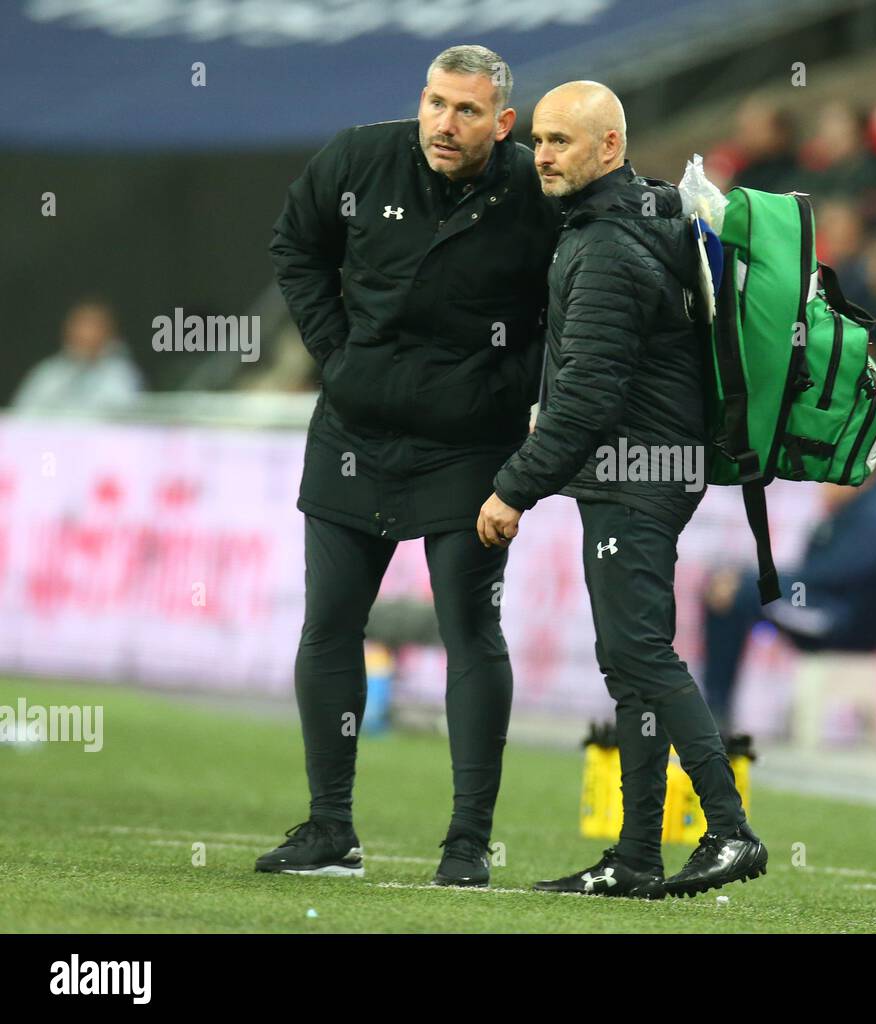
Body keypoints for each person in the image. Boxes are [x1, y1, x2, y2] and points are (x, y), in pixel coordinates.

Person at [259, 45, 559, 885]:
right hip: (354, 431)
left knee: (471, 633)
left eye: (467, 111)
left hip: (470, 445)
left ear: (503, 124)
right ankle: (329, 831)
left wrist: (516, 381)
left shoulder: (536, 188)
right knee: (329, 626)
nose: (444, 123)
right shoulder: (359, 156)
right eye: (435, 102)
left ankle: (466, 845)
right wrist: (338, 355)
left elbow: (572, 298)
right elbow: (294, 245)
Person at [478, 80, 767, 899]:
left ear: (609, 145)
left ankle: (730, 830)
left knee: (640, 654)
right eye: (537, 140)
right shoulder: (647, 213)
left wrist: (513, 490)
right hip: (651, 466)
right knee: (630, 664)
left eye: (560, 141)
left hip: (635, 471)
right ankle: (636, 855)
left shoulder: (605, 245)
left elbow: (587, 396)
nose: (541, 155)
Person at [701, 474, 876, 734]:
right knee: (727, 584)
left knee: (739, 591)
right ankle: (716, 708)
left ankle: (716, 711)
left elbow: (835, 573)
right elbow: (815, 572)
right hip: (825, 608)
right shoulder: (854, 511)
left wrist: (760, 581)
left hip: (844, 624)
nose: (823, 486)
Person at [11, 300, 143, 414]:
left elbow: (129, 421)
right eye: (81, 326)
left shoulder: (121, 374)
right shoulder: (49, 372)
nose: (86, 334)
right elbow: (21, 416)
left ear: (108, 332)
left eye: (94, 326)